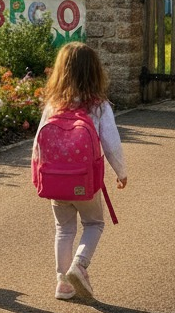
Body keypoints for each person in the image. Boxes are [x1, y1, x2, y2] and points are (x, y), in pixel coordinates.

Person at [33, 42, 128, 301]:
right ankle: (80, 265)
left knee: (63, 230)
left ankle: (62, 283)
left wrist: (37, 174)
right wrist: (121, 172)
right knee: (94, 223)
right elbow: (112, 143)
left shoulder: (54, 104)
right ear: (94, 72)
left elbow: (38, 144)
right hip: (86, 183)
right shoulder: (99, 107)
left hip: (55, 182)